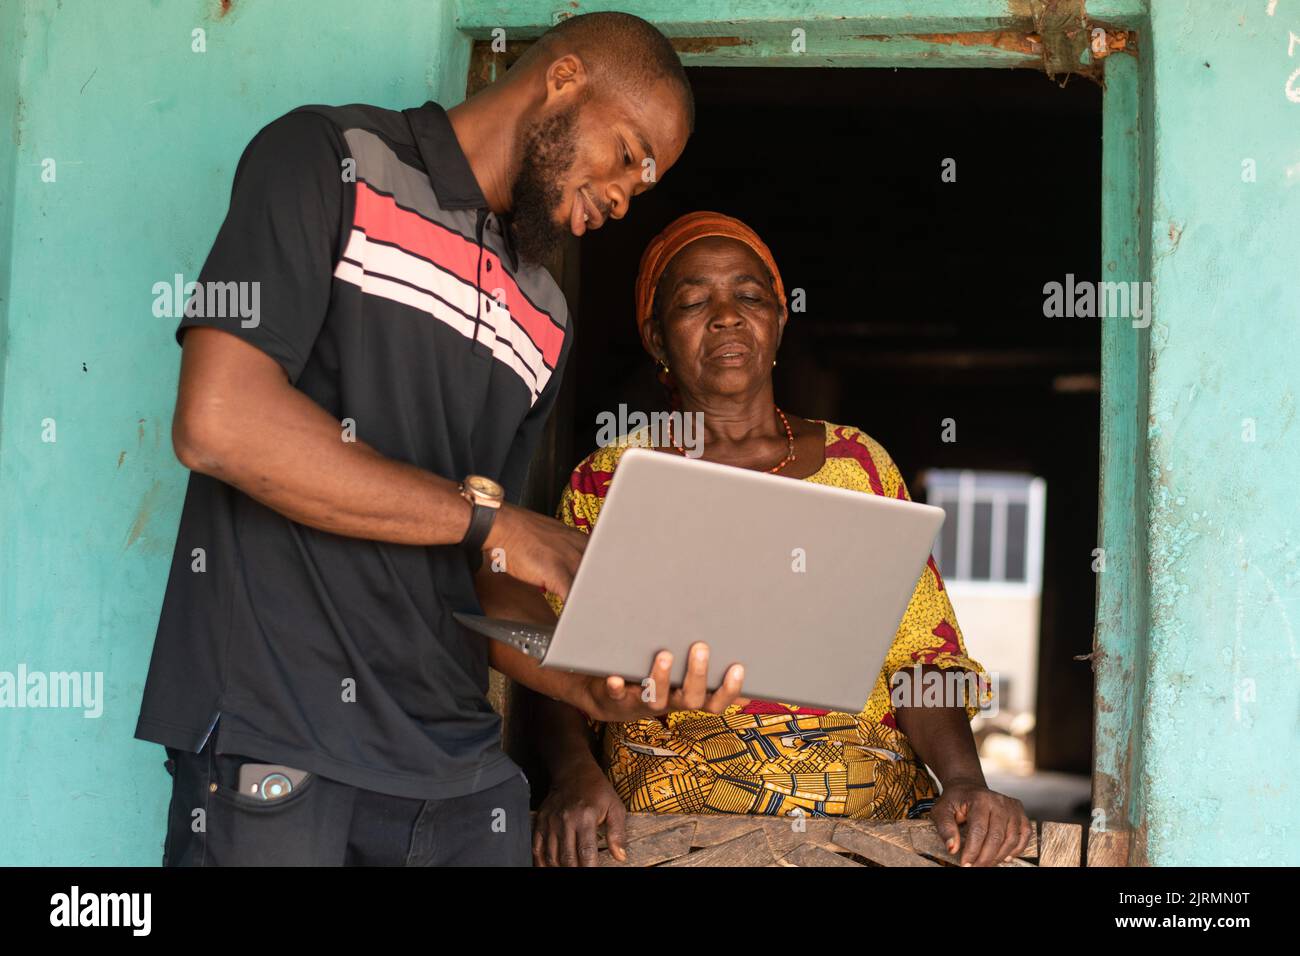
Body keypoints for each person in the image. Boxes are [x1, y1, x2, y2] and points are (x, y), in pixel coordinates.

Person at [135, 12, 745, 868]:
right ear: (564, 79)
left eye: (644, 187)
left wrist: (591, 682)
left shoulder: (545, 313)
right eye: (628, 154)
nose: (623, 196)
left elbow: (477, 572)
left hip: (456, 773)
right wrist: (493, 522)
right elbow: (219, 422)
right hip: (281, 731)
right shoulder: (328, 158)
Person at [528, 211, 1032, 867]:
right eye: (691, 301)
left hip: (863, 823)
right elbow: (557, 659)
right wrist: (573, 774)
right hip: (671, 827)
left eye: (749, 295)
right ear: (656, 337)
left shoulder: (859, 465)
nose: (726, 315)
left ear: (780, 319)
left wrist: (964, 780)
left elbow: (920, 657)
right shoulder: (610, 480)